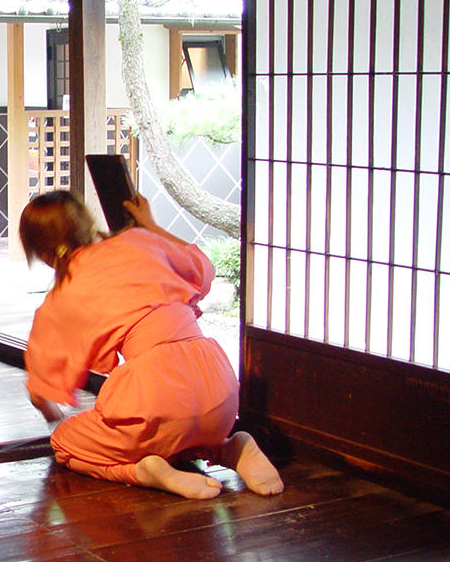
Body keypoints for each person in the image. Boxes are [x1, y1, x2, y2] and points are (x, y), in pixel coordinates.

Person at [19, 190, 285, 500]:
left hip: (157, 400)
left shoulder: (63, 293)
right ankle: (229, 449)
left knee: (66, 441)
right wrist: (151, 225)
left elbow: (42, 387)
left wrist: (50, 411)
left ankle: (143, 471)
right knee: (179, 426)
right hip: (220, 393)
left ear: (41, 252)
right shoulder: (139, 241)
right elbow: (202, 266)